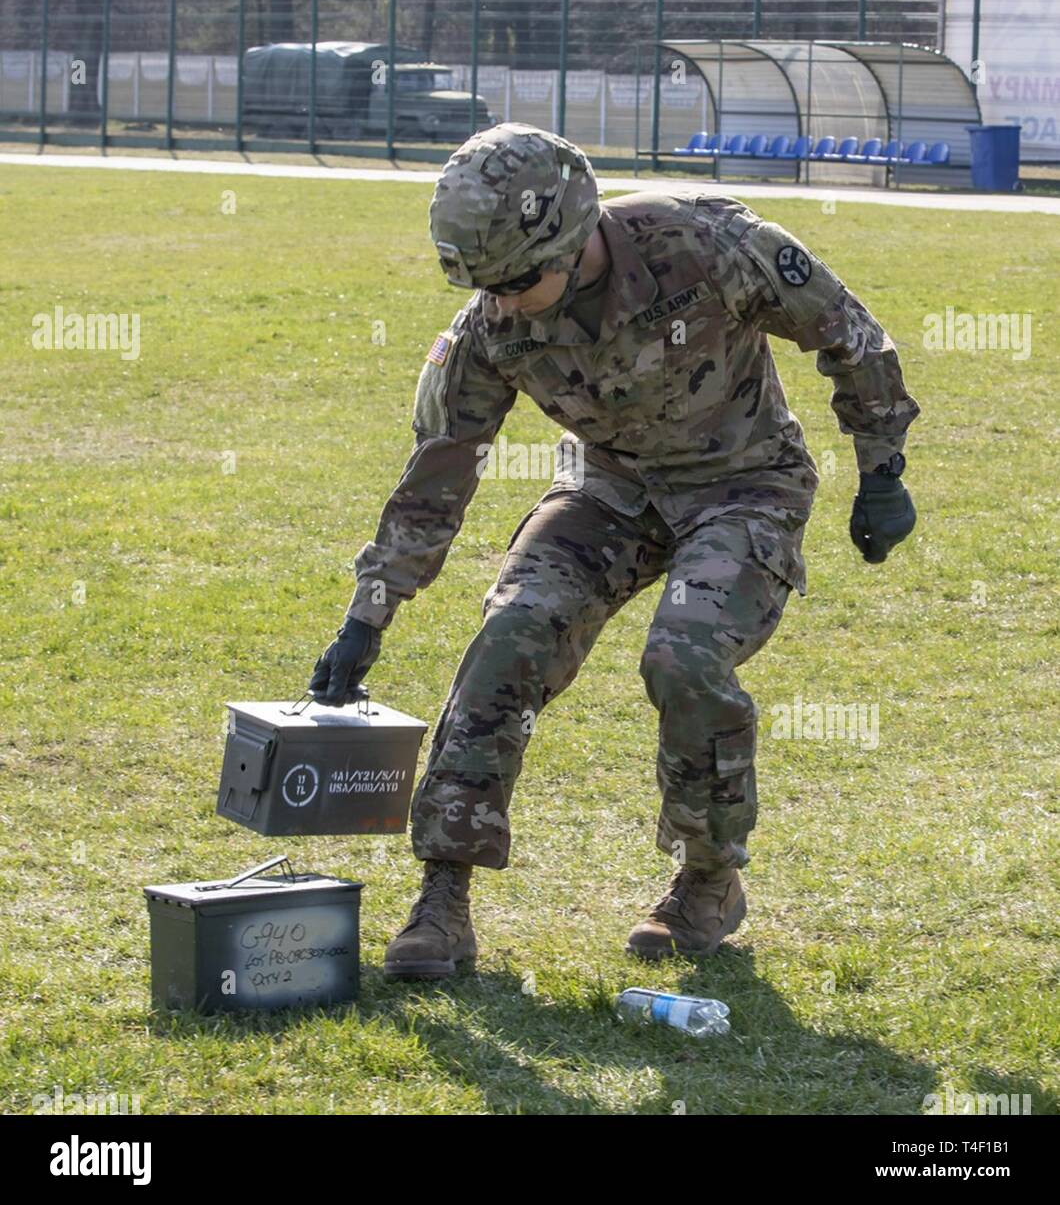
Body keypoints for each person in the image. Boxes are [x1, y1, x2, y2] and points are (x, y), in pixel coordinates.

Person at [308, 121, 919, 979]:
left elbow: (848, 334)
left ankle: (707, 880)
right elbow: (439, 467)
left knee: (683, 657)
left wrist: (882, 470)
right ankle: (442, 899)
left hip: (742, 484)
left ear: (574, 230)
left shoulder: (708, 244)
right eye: (488, 284)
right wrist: (369, 615)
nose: (506, 301)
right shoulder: (492, 321)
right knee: (511, 632)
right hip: (610, 491)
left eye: (519, 279)